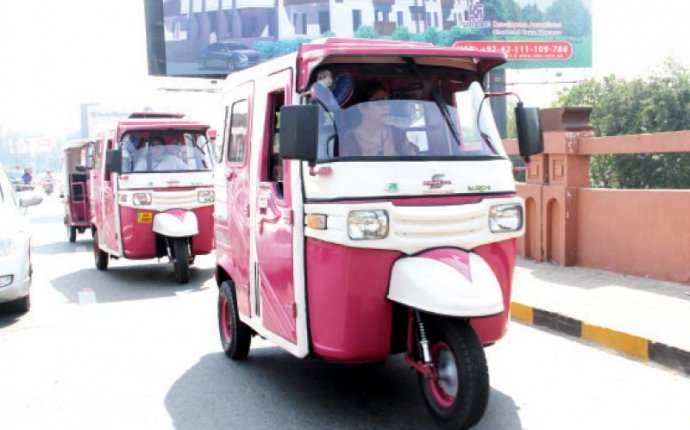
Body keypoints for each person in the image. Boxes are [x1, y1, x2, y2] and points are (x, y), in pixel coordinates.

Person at [339, 82, 418, 157]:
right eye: (379, 102)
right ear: (362, 108)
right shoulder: (348, 140)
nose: (387, 107)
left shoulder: (397, 134)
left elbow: (414, 159)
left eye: (388, 102)